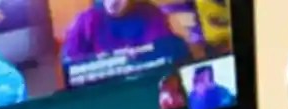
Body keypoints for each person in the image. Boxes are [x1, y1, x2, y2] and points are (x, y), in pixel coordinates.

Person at [61, 0, 191, 66]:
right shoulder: (86, 21)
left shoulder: (150, 13)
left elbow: (168, 52)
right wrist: (101, 60)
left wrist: (140, 55)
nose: (113, 2)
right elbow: (69, 63)